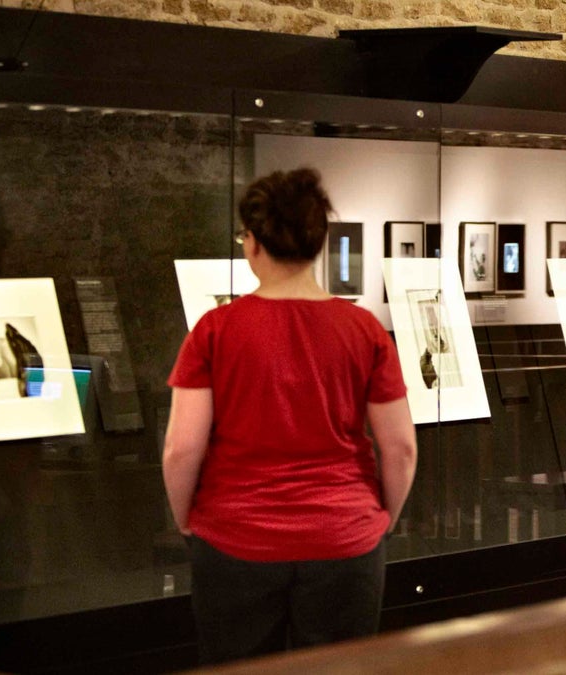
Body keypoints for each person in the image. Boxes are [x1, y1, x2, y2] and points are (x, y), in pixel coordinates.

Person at [163, 168, 417, 665]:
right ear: (318, 242)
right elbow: (401, 448)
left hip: (235, 536)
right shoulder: (364, 330)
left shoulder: (215, 331)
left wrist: (184, 519)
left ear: (254, 243)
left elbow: (181, 448)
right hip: (345, 537)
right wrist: (379, 519)